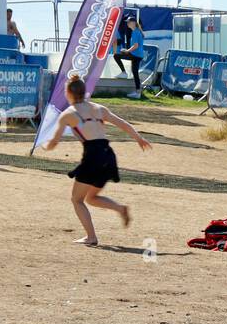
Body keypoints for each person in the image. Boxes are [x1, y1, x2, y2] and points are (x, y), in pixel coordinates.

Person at [43, 73, 151, 245]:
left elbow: (54, 143)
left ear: (68, 93)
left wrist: (45, 146)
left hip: (92, 156)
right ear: (84, 92)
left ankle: (91, 237)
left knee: (77, 200)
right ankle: (120, 208)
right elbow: (122, 123)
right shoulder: (99, 109)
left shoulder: (67, 114)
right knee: (91, 198)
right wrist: (138, 138)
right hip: (108, 155)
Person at [113, 15, 146, 98]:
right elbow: (136, 46)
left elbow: (135, 46)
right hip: (138, 55)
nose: (127, 23)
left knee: (116, 55)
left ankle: (124, 73)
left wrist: (127, 51)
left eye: (128, 22)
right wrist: (127, 51)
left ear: (133, 23)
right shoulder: (137, 30)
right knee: (135, 73)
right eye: (127, 22)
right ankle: (138, 93)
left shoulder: (135, 32)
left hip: (135, 55)